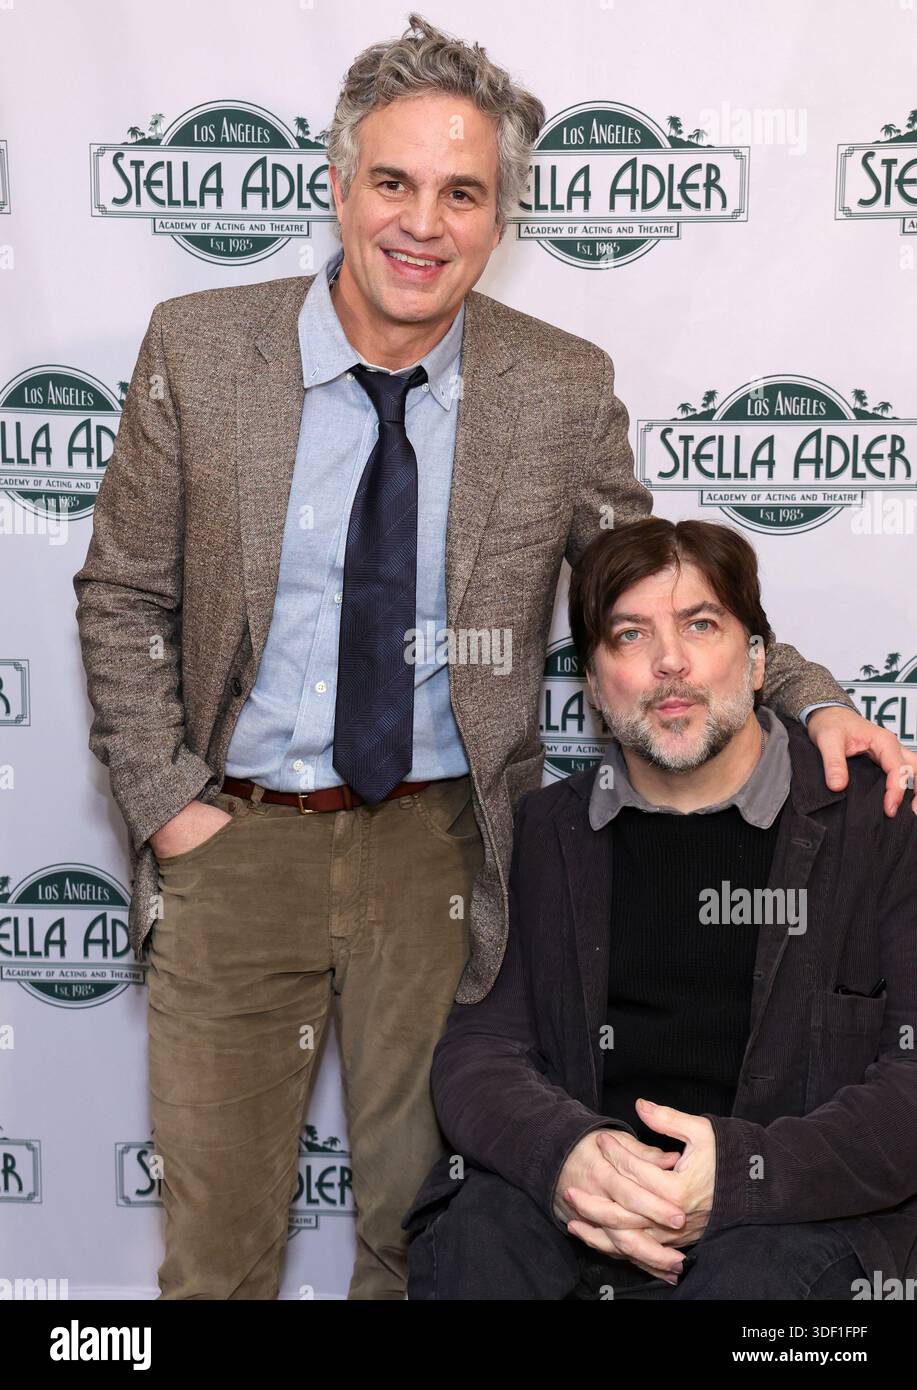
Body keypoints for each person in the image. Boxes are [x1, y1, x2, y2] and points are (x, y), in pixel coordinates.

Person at [72, 14, 916, 1301]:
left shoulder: (558, 387)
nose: (423, 222)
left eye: (461, 192)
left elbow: (652, 586)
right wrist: (168, 802)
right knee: (219, 1252)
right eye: (394, 182)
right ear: (338, 184)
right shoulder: (197, 346)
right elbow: (124, 590)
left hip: (443, 856)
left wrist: (809, 697)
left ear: (499, 216)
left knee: (413, 1235)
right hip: (233, 841)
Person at [404, 517, 917, 1300]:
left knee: (755, 1285)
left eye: (699, 625)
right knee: (477, 1237)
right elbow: (479, 1049)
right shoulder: (545, 831)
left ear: (754, 662)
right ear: (595, 684)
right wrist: (567, 1152)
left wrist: (746, 1176)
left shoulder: (875, 824)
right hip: (586, 1209)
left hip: (792, 1221)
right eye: (629, 635)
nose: (669, 662)